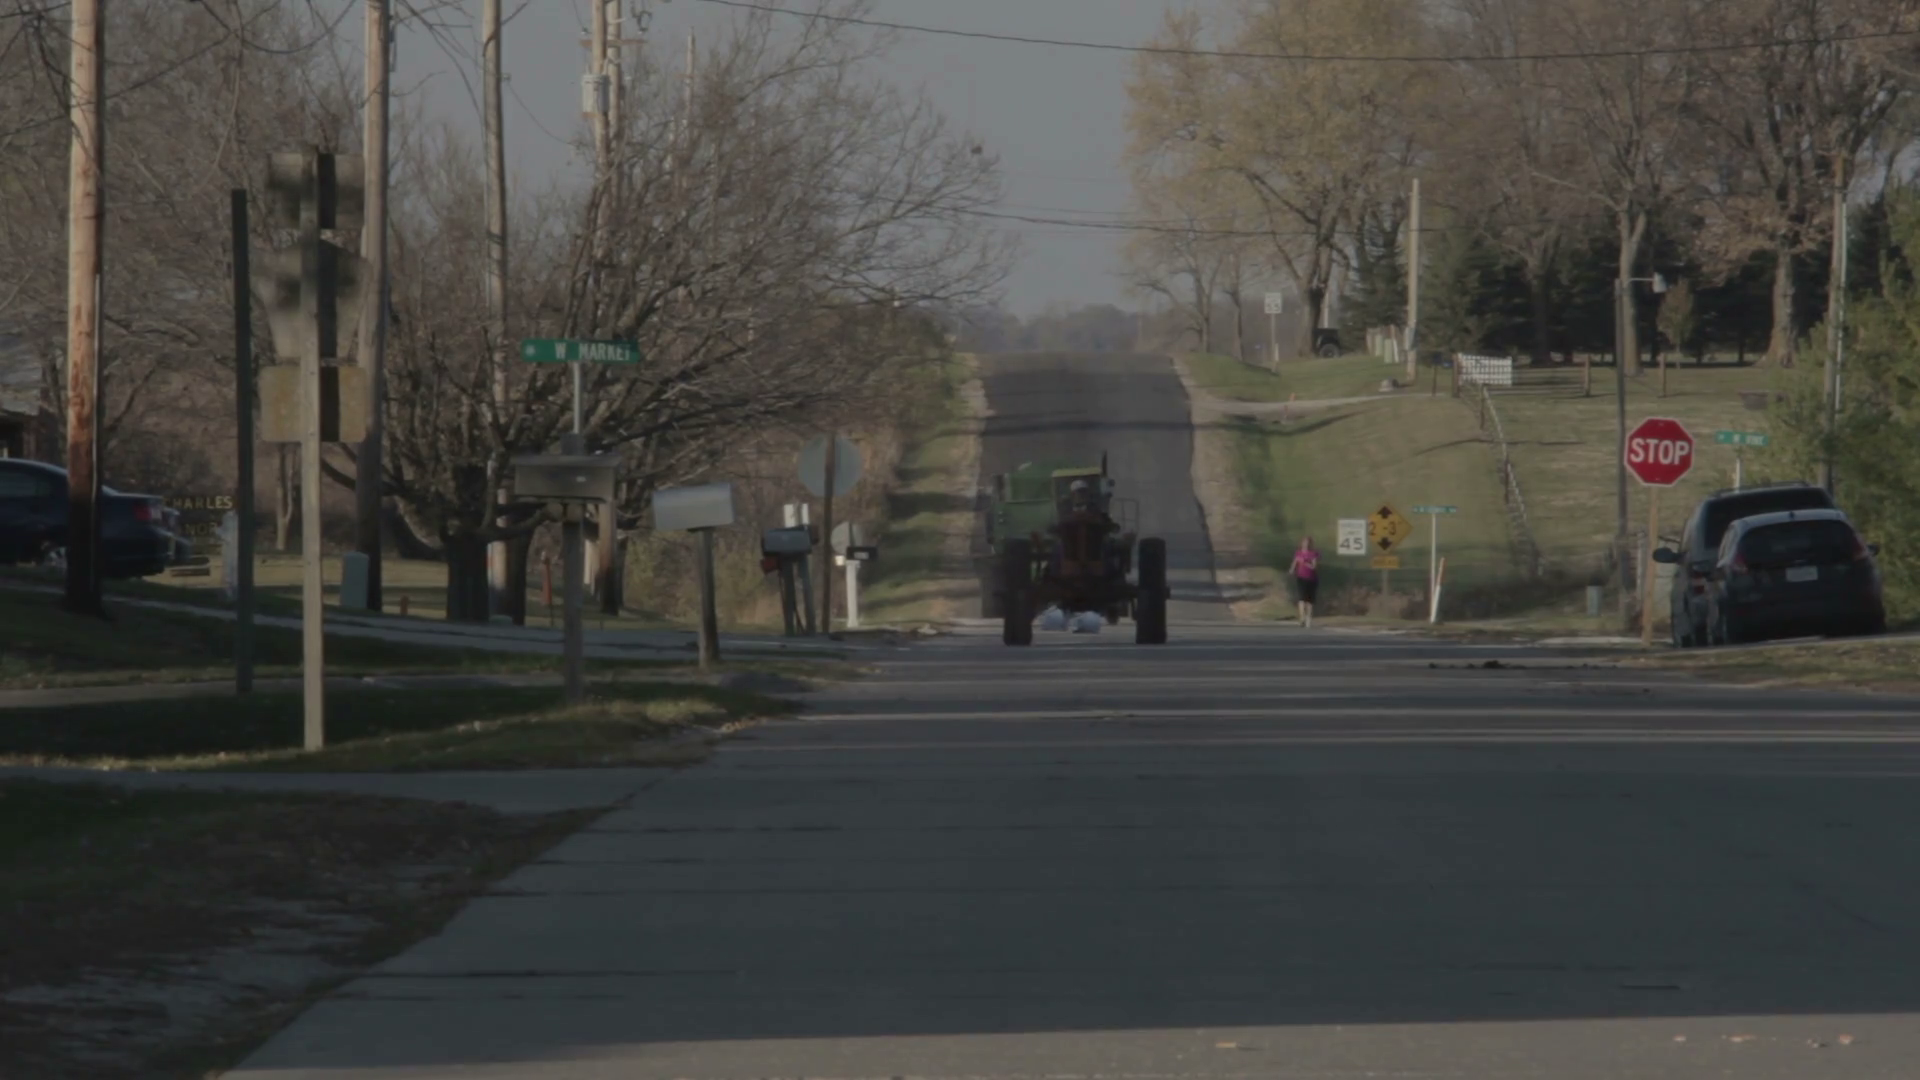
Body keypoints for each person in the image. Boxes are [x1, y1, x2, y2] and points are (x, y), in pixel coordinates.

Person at [1289, 536, 1320, 628]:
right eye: (1304, 542)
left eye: (1308, 543)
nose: (1306, 544)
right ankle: (1302, 618)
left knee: (1309, 600)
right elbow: (1294, 563)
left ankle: (1308, 618)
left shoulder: (1313, 554)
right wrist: (1291, 570)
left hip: (1312, 578)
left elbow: (1314, 567)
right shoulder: (1298, 553)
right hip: (1301, 577)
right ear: (1302, 543)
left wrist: (1305, 563)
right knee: (1301, 598)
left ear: (1310, 544)